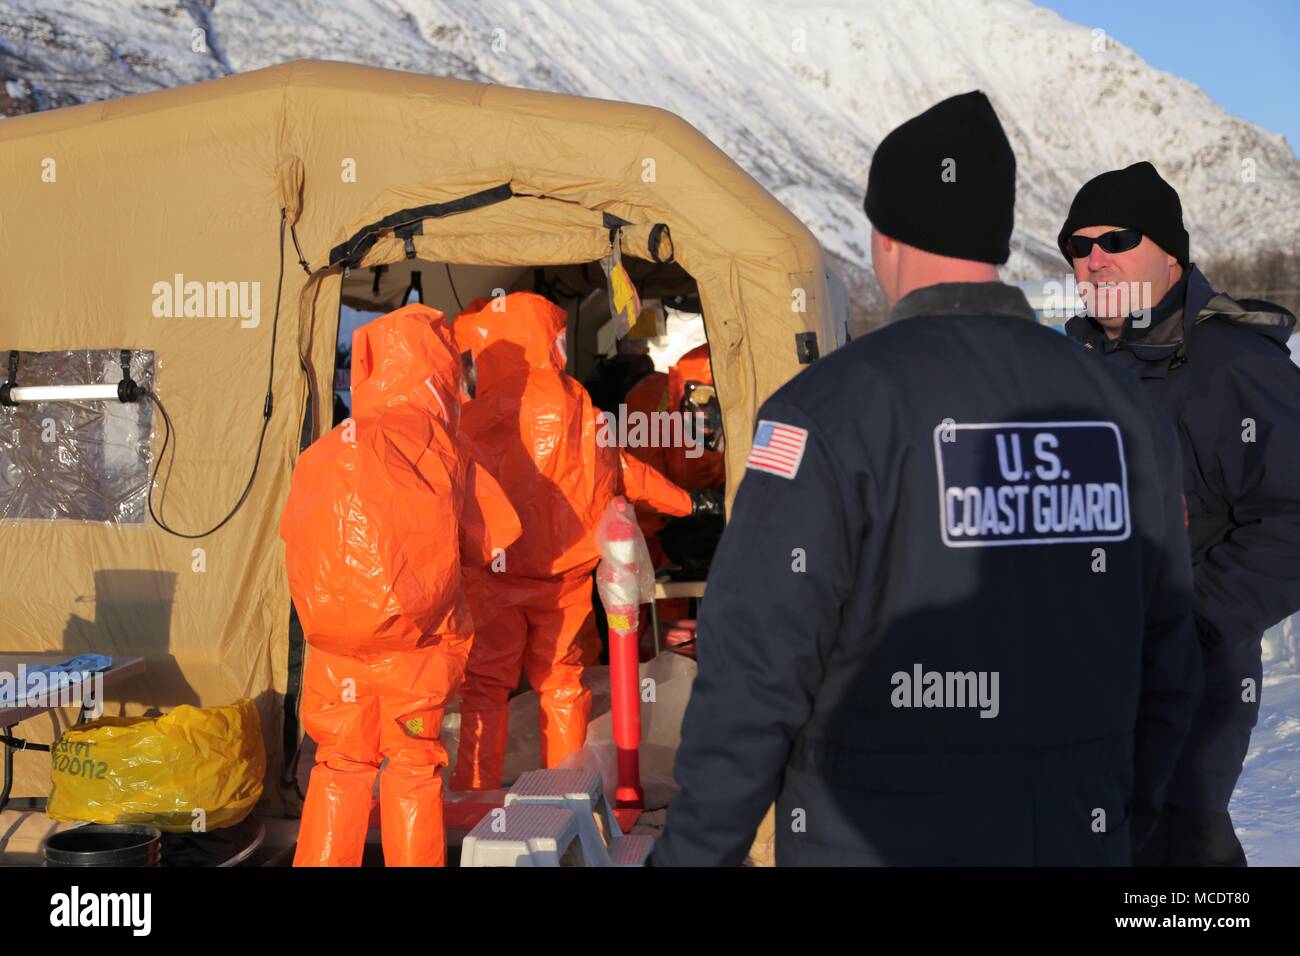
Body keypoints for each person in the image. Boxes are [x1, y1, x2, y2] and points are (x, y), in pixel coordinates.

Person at [650, 91, 1202, 866]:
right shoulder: (1123, 411)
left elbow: (754, 678)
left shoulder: (822, 412)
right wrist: (1118, 818)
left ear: (885, 238)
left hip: (873, 835)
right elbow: (1170, 661)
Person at [1059, 161, 1300, 865]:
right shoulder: (1076, 366)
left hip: (1190, 683)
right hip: (1080, 680)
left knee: (1176, 847)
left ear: (1170, 253)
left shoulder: (1230, 365)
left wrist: (1190, 623)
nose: (1094, 258)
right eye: (1078, 246)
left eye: (1117, 239)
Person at [282, 303, 520, 866]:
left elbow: (292, 534)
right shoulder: (446, 449)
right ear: (438, 371)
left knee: (338, 767)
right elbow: (496, 539)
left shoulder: (323, 450)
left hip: (333, 649)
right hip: (414, 651)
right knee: (412, 770)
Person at [449, 291, 622, 790]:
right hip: (564, 576)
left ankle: (474, 796)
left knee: (485, 686)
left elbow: (450, 492)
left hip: (494, 575)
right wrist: (688, 501)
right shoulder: (581, 405)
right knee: (563, 683)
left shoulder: (470, 417)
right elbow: (617, 475)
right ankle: (564, 793)